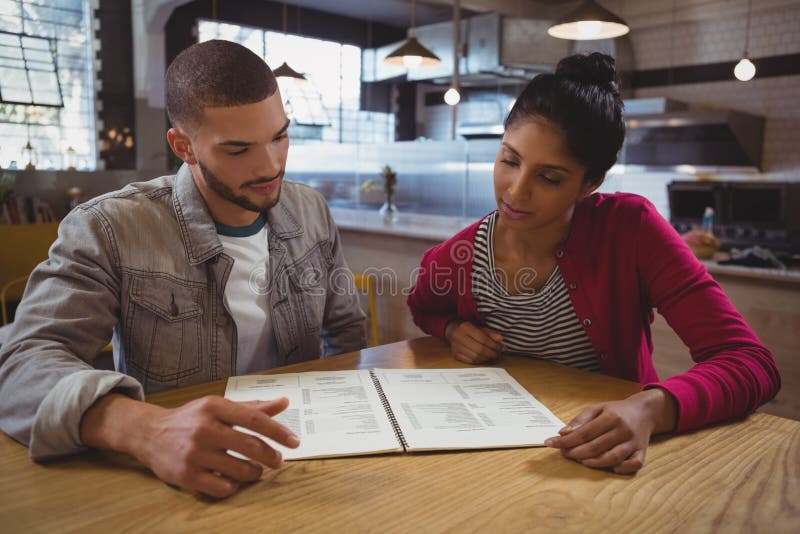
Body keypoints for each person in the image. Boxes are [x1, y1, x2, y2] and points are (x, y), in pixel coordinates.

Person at [0, 40, 366, 498]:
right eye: (238, 150)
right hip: (181, 476)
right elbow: (20, 362)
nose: (271, 165)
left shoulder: (310, 209)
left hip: (307, 464)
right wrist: (143, 429)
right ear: (184, 146)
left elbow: (347, 331)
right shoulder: (111, 226)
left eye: (279, 136)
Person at [407, 52, 780, 475]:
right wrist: (452, 328)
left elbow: (751, 362)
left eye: (550, 178)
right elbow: (422, 307)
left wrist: (651, 407)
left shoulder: (631, 229)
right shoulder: (458, 257)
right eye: (510, 160)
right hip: (491, 462)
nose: (516, 191)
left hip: (596, 461)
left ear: (590, 183)